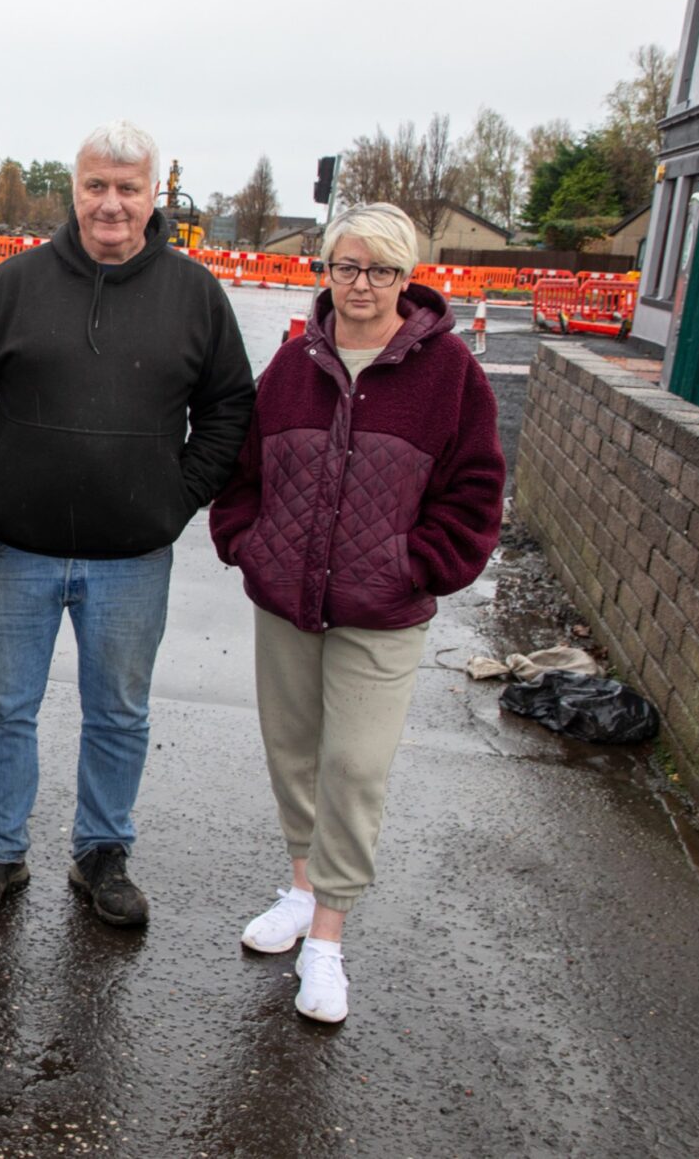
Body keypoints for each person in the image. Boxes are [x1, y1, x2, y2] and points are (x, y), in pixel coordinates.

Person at [0, 120, 256, 927]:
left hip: (132, 558)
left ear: (155, 195)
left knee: (119, 711)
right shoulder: (13, 285)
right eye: (95, 186)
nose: (110, 203)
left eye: (128, 187)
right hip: (16, 549)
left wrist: (173, 496)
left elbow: (228, 410)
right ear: (73, 190)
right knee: (3, 706)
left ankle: (102, 853)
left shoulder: (195, 295)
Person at [209, 202, 503, 1024]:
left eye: (379, 270)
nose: (361, 284)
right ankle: (301, 888)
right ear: (326, 272)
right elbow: (245, 467)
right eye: (346, 267)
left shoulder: (449, 374)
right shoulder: (295, 362)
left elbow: (478, 490)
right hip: (288, 599)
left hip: (383, 609)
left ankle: (329, 940)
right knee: (294, 750)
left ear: (407, 277)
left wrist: (421, 565)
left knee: (355, 767)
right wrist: (247, 540)